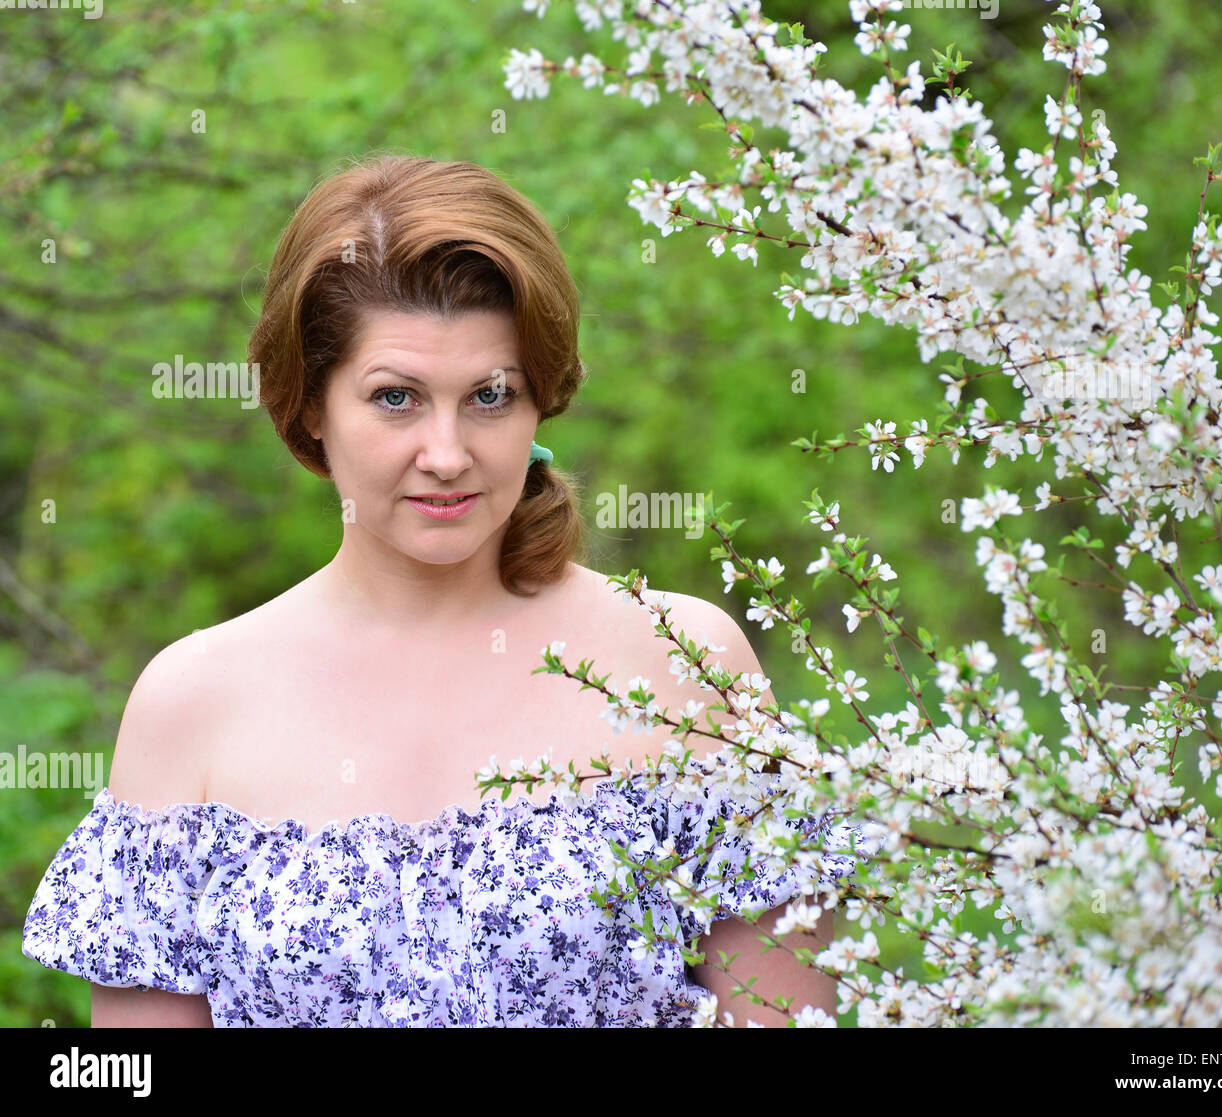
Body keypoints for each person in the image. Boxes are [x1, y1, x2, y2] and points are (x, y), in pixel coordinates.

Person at [22, 154, 878, 1027]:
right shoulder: (192, 703)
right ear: (310, 405)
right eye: (395, 397)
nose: (446, 452)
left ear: (543, 399)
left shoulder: (683, 663)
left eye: (489, 396)